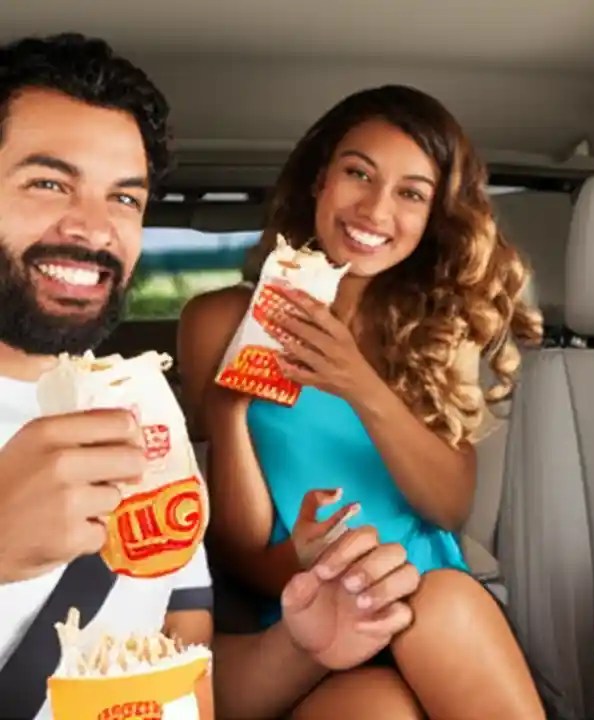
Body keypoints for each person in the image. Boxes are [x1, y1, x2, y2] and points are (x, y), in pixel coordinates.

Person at [0, 33, 424, 719]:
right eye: (48, 182)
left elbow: (186, 672)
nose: (94, 227)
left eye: (125, 199)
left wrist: (306, 644)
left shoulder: (143, 407)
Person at [178, 85, 548, 718]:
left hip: (431, 594)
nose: (376, 210)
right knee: (374, 708)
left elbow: (450, 506)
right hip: (301, 610)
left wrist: (358, 381)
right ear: (321, 179)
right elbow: (235, 550)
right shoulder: (218, 320)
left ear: (433, 216)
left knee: (444, 606)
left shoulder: (434, 327)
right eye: (358, 173)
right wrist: (231, 406)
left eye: (411, 193)